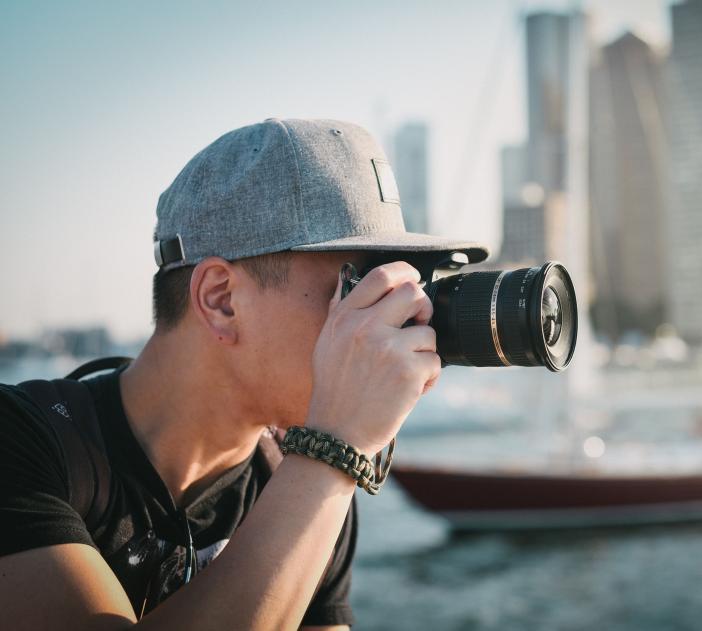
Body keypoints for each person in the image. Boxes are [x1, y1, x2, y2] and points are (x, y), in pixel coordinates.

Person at [0, 118, 488, 629]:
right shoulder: (20, 441)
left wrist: (330, 459)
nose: (386, 322)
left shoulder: (298, 481)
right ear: (221, 299)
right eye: (358, 290)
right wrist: (334, 451)